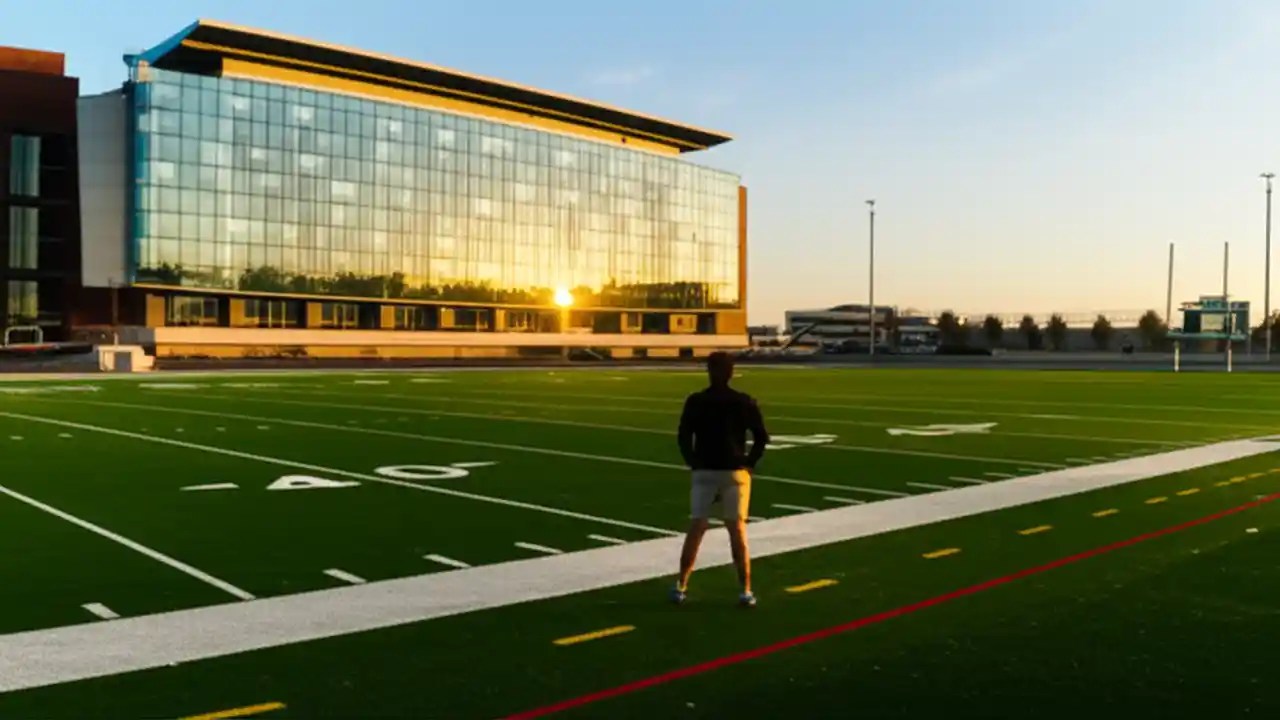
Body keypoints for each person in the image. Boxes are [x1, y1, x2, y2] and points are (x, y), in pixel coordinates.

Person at [671, 351, 770, 607]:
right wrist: (749, 463)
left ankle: (681, 585)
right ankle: (745, 590)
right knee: (737, 530)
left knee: (696, 528)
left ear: (708, 371)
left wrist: (693, 462)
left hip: (705, 470)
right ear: (731, 372)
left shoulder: (695, 401)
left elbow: (683, 436)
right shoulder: (744, 401)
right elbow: (761, 437)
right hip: (734, 471)